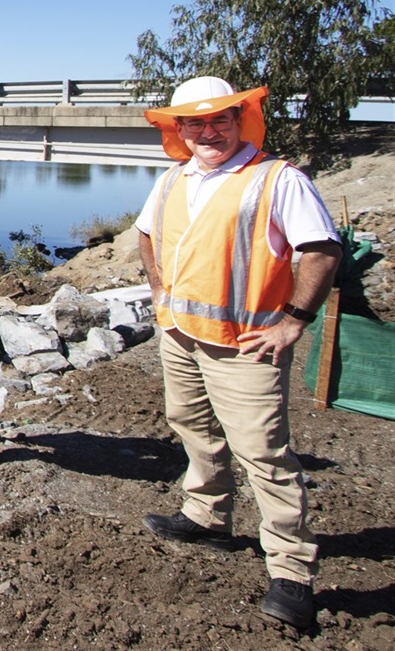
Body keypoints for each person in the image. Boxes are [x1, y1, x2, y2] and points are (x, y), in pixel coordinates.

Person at [134, 76, 342, 630]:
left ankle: (292, 573)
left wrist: (295, 320)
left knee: (265, 455)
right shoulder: (175, 178)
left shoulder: (277, 179)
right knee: (191, 425)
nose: (208, 131)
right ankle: (207, 515)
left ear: (238, 120)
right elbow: (147, 234)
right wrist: (157, 291)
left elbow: (321, 250)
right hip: (180, 332)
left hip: (245, 344)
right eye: (195, 123)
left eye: (219, 120)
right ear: (179, 130)